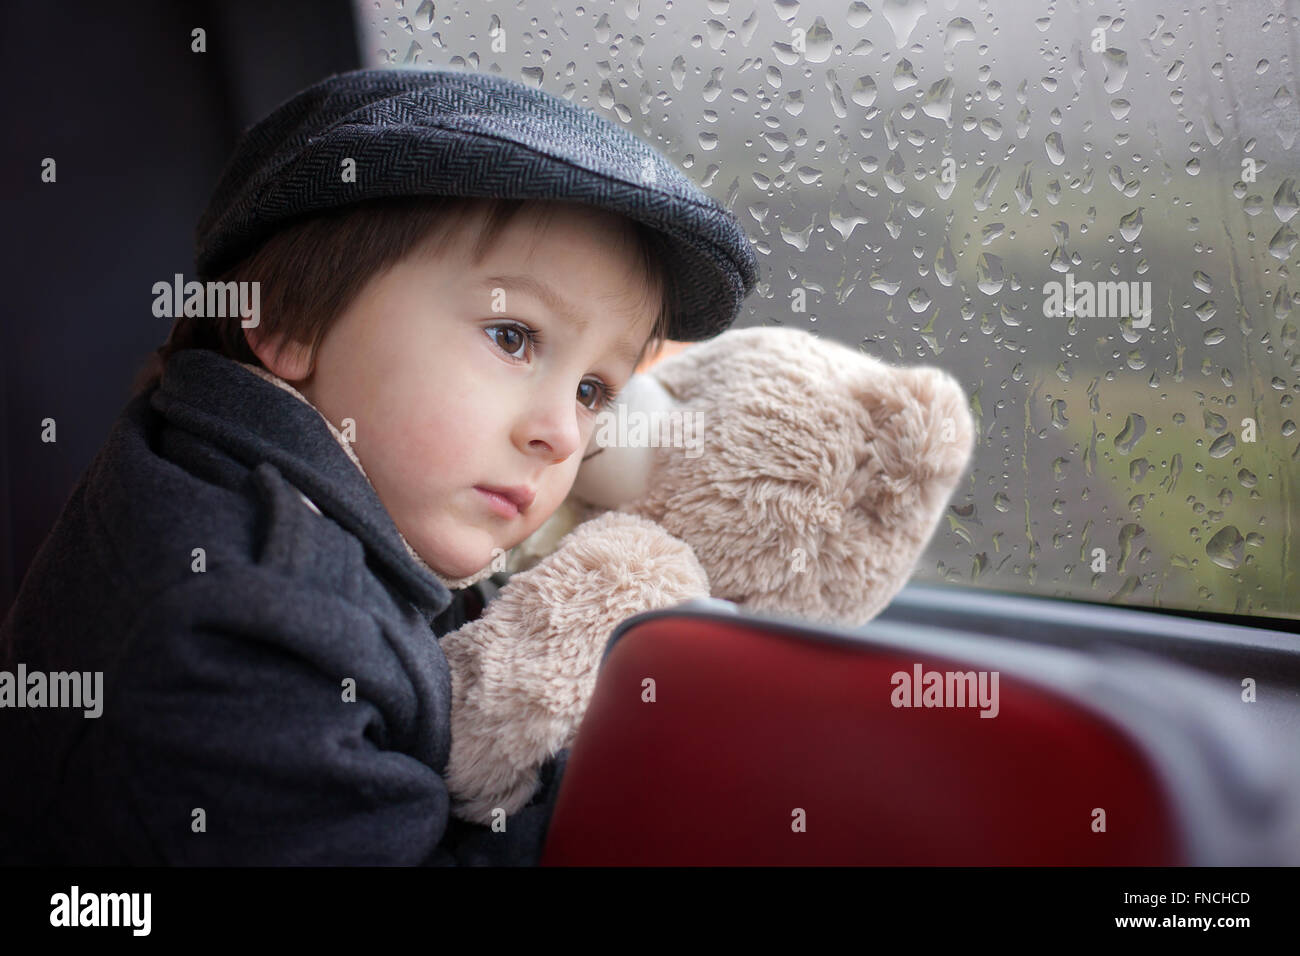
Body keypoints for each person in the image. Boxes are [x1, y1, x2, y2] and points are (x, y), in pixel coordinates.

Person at [0, 67, 757, 865]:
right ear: (288, 323)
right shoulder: (254, 628)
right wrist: (609, 799)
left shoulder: (244, 464)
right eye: (512, 337)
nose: (563, 434)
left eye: (594, 389)